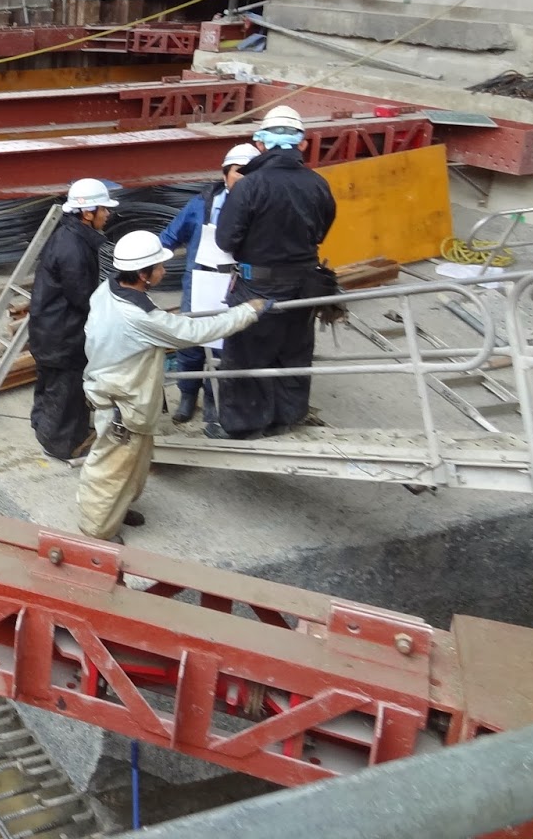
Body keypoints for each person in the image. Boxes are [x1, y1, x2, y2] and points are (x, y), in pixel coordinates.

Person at [78, 231, 266, 542]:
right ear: (142, 274)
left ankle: (118, 509)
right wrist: (248, 311)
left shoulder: (107, 289)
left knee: (134, 465)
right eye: (159, 267)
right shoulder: (140, 317)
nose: (164, 271)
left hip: (120, 396)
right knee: (110, 470)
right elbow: (195, 331)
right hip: (121, 406)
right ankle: (96, 531)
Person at [214, 105, 338, 441]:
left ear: (260, 145)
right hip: (304, 284)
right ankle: (288, 417)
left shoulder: (249, 186)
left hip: (257, 285)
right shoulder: (319, 184)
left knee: (246, 357)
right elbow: (322, 231)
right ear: (302, 145)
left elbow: (225, 239)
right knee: (293, 352)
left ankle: (245, 425)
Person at [157, 142, 260, 436]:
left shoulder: (259, 208)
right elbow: (170, 237)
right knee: (191, 341)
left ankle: (214, 397)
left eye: (252, 174)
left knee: (224, 344)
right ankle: (188, 394)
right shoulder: (201, 205)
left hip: (235, 282)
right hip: (199, 279)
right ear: (226, 174)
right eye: (240, 173)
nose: (245, 179)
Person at [29, 177, 119, 461]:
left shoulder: (67, 235)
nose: (108, 215)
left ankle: (42, 426)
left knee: (49, 383)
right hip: (64, 335)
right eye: (103, 209)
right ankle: (63, 445)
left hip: (48, 329)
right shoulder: (75, 249)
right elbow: (84, 298)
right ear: (87, 213)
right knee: (66, 392)